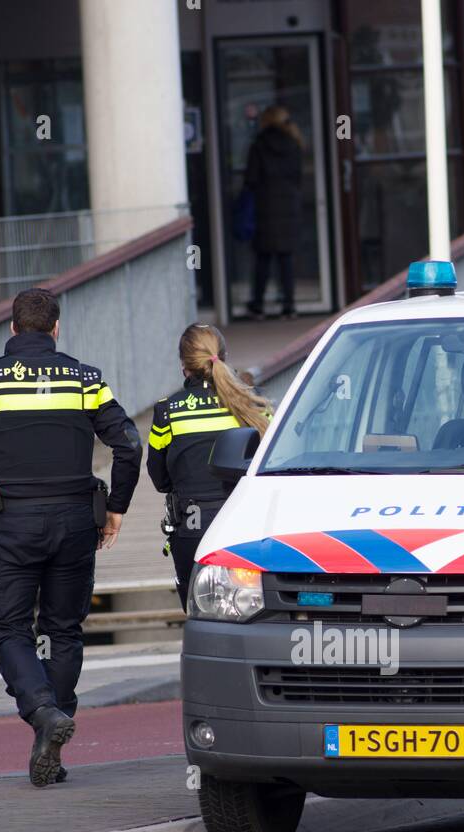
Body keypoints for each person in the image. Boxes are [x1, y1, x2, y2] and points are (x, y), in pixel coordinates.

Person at [0, 287, 142, 787]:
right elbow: (128, 445)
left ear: (11, 329)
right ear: (56, 328)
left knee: (6, 629)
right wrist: (116, 510)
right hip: (75, 522)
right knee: (63, 630)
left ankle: (44, 713)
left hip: (13, 525)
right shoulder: (85, 378)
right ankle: (53, 737)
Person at [146, 324, 273, 610]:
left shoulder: (168, 410)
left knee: (199, 613)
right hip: (246, 524)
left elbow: (159, 478)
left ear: (183, 365)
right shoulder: (255, 402)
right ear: (224, 357)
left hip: (192, 528)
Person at [244, 105, 303, 320]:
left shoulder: (259, 144)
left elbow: (251, 178)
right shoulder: (294, 143)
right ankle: (289, 306)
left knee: (263, 259)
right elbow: (298, 176)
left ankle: (258, 305)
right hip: (288, 207)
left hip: (265, 206)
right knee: (286, 259)